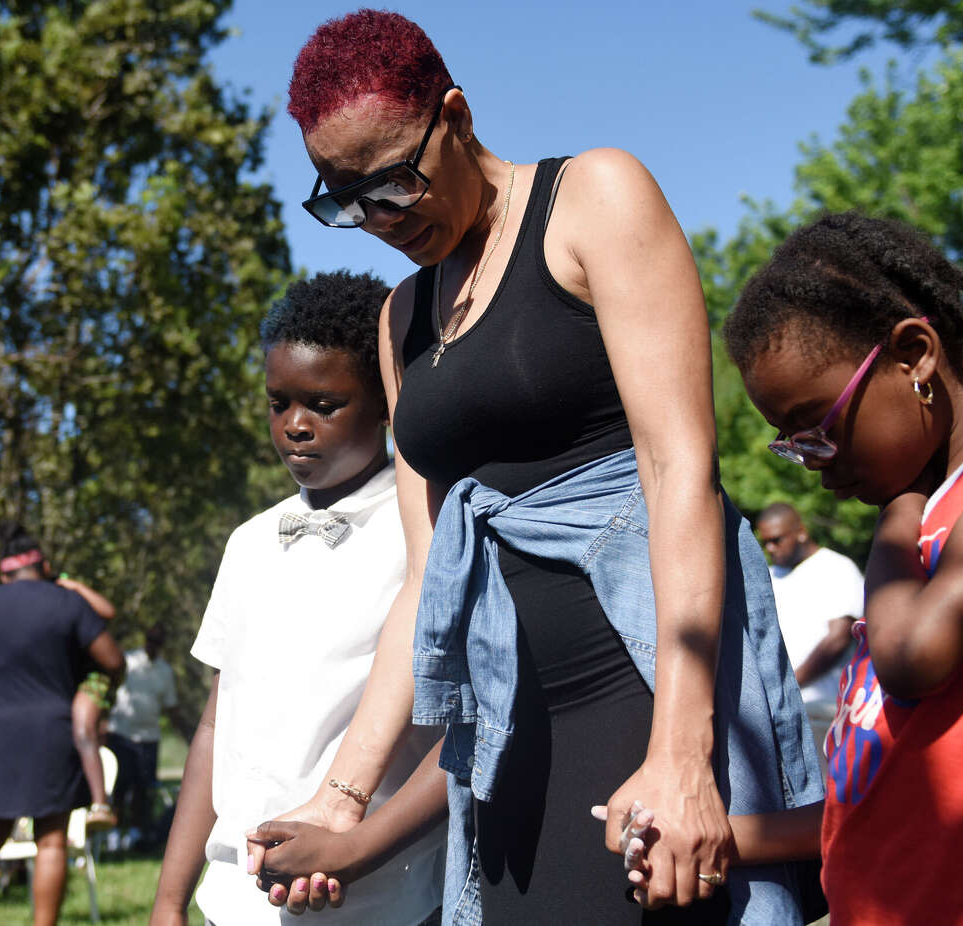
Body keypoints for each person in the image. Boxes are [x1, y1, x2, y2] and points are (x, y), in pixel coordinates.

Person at [246, 11, 821, 925]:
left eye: (395, 181)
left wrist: (680, 752)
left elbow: (680, 472)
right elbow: (427, 575)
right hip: (504, 736)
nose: (381, 221)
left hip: (641, 699)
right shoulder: (402, 320)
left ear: (459, 118)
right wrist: (340, 796)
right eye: (347, 201)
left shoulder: (594, 199)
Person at [623, 211, 963, 922]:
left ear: (914, 355)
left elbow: (914, 655)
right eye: (796, 447)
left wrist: (901, 512)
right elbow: (873, 800)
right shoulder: (920, 539)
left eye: (819, 429)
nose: (817, 469)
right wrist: (705, 832)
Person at [151, 270, 447, 926]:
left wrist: (358, 847)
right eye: (278, 403)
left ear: (385, 405)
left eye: (324, 403)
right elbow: (213, 723)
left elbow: (461, 733)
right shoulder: (250, 543)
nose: (295, 426)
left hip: (385, 897)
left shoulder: (424, 538)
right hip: (234, 901)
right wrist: (171, 899)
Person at [0, 527, 124, 926]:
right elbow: (113, 660)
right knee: (50, 843)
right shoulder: (65, 601)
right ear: (44, 566)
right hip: (53, 733)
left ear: (4, 574)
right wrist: (101, 694)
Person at [756, 503, 863, 757]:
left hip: (826, 708)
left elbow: (838, 638)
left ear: (800, 531)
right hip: (780, 710)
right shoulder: (769, 576)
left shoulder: (836, 567)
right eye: (766, 542)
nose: (771, 548)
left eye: (777, 540)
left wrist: (790, 682)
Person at [58, 574, 120, 830]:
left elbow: (108, 610)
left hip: (94, 676)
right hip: (63, 677)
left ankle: (100, 804)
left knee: (84, 730)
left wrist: (75, 585)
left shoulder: (66, 589)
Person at [107, 624, 177, 848]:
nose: (153, 645)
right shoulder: (128, 661)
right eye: (151, 640)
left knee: (142, 787)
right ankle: (114, 833)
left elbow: (170, 705)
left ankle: (136, 834)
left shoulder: (165, 671)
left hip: (149, 737)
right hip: (122, 733)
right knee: (120, 787)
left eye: (158, 642)